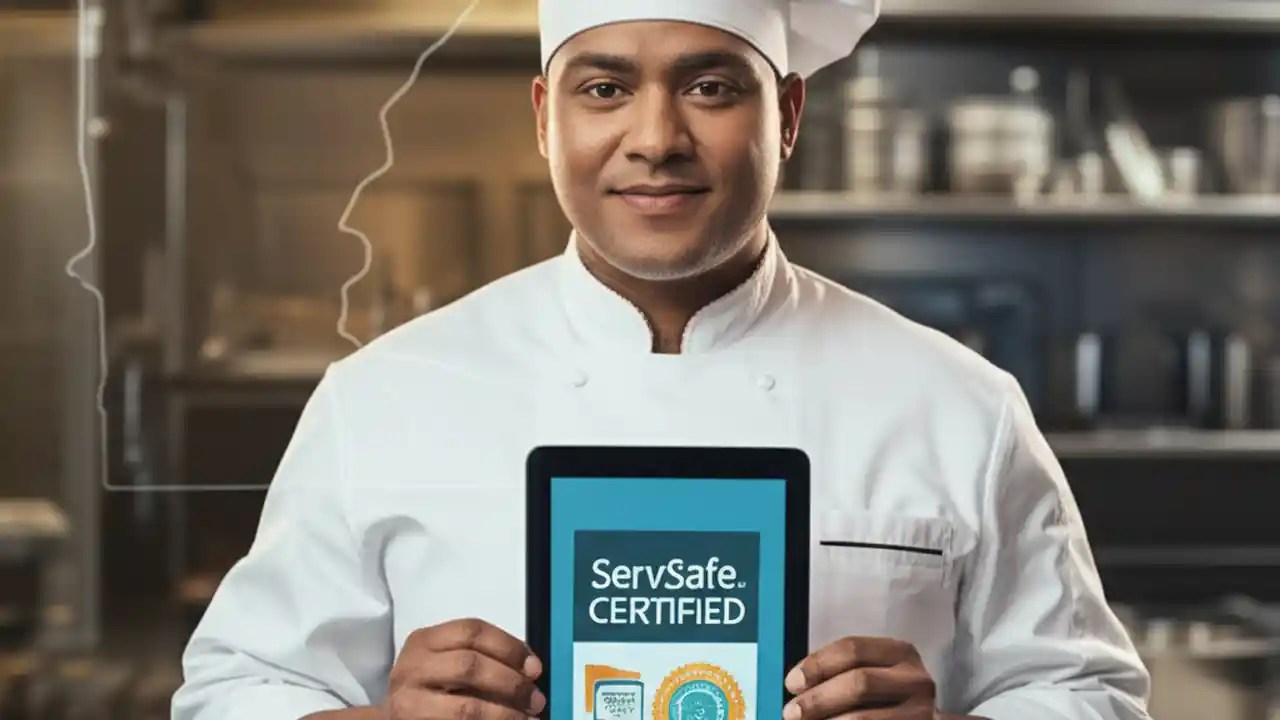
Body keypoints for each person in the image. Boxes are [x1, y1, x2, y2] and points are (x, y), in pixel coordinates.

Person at [171, 0, 1153, 718]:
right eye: (603, 88)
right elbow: (233, 689)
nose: (655, 140)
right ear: (545, 117)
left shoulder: (955, 403)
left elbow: (1083, 693)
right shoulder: (380, 397)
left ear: (789, 116)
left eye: (710, 86)